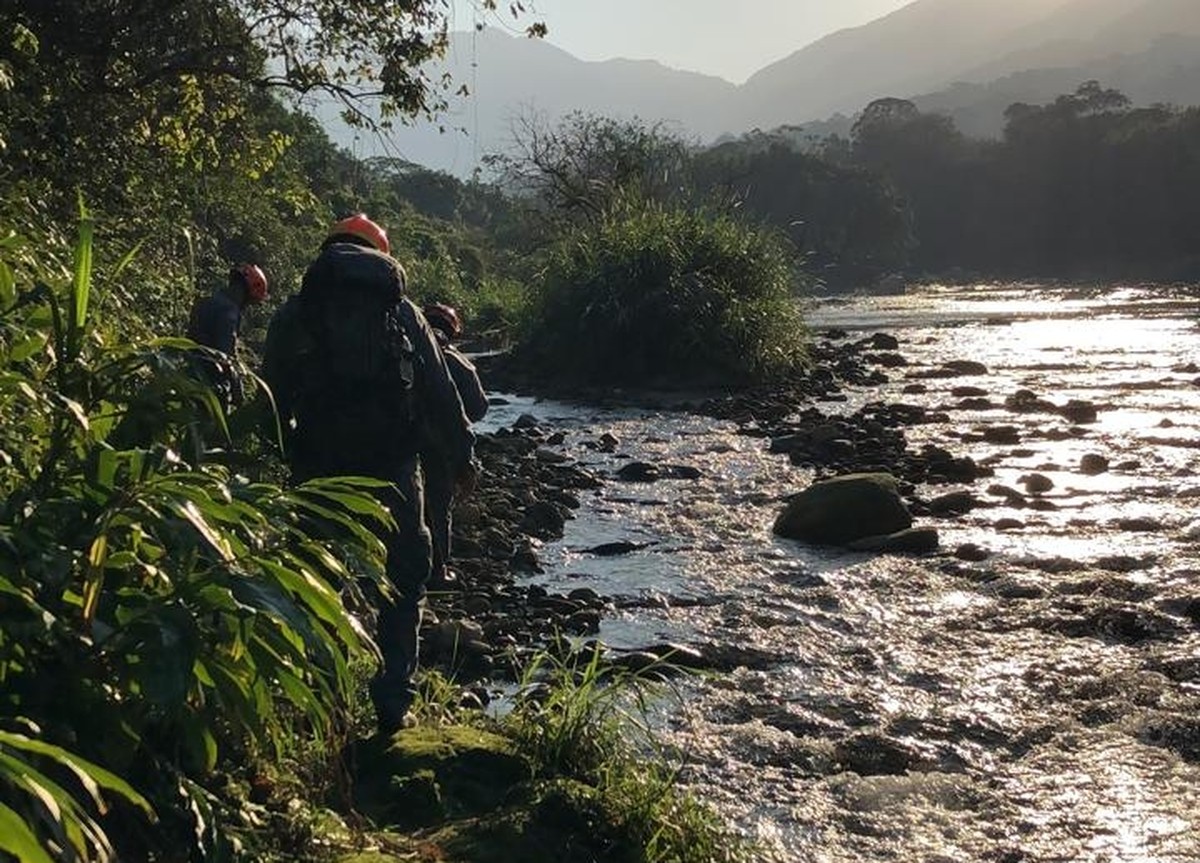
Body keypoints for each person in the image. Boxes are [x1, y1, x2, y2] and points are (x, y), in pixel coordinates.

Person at [262, 214, 476, 734]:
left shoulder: (299, 311)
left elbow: (271, 394)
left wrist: (282, 453)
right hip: (394, 465)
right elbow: (441, 389)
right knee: (405, 578)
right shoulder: (400, 311)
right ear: (382, 255)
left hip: (318, 465)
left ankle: (321, 699)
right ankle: (393, 702)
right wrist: (463, 452)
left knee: (318, 578)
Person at [421, 303, 488, 588]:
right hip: (443, 444)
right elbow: (478, 406)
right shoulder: (458, 362)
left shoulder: (401, 349)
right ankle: (437, 569)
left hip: (398, 440)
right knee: (438, 504)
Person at [187, 262, 269, 409]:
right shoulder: (229, 312)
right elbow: (225, 356)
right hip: (209, 386)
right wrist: (237, 389)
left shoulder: (206, 302)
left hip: (188, 375)